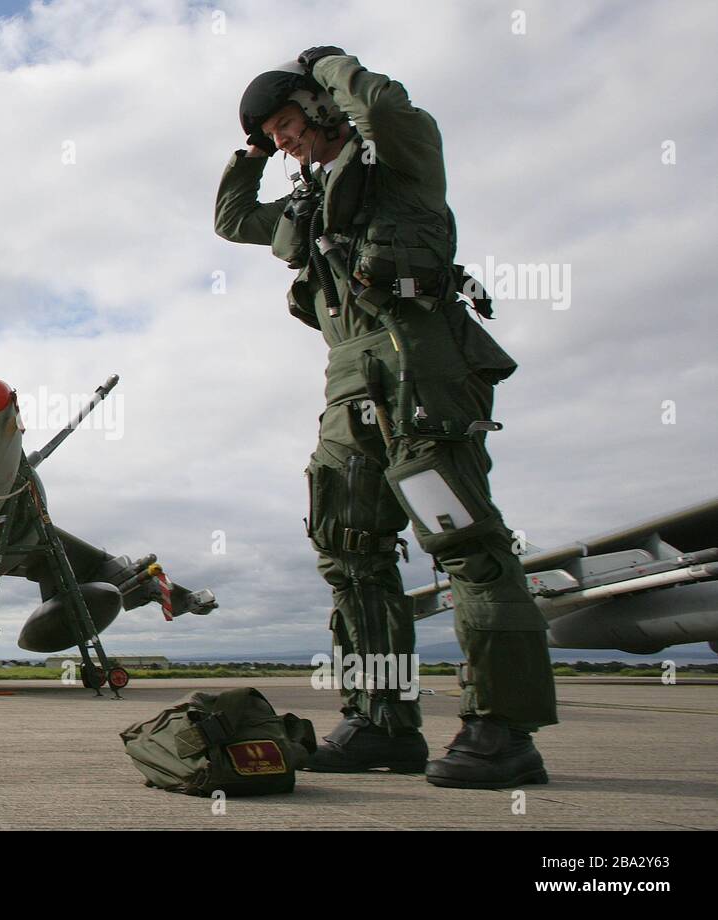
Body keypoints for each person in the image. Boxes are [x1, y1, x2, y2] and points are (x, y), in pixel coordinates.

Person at [214, 47, 558, 788]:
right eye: (272, 134)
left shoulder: (400, 158)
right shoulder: (304, 207)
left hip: (418, 368)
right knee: (351, 553)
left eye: (287, 123)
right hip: (348, 387)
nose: (283, 140)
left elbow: (389, 109)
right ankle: (382, 721)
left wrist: (331, 65)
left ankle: (503, 730)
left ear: (323, 107)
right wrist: (252, 147)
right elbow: (232, 218)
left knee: (462, 541)